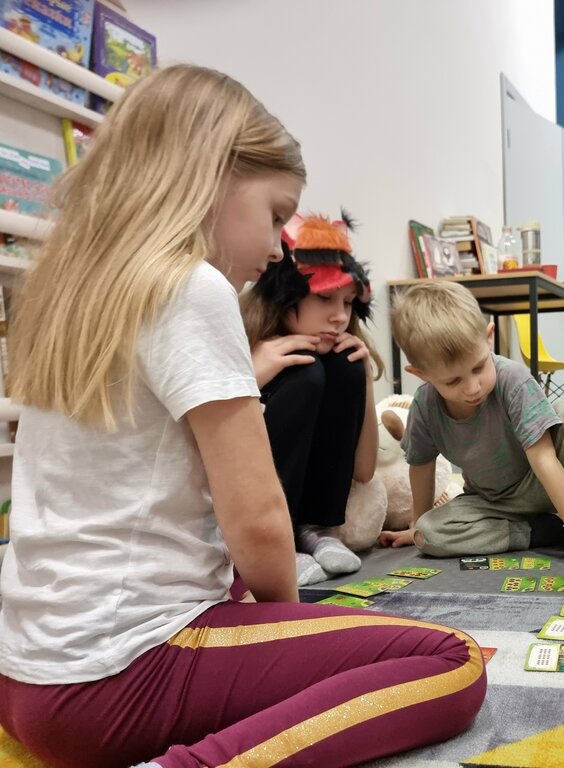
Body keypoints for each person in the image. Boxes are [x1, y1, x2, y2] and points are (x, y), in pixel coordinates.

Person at [0, 65, 485, 768]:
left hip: (24, 673)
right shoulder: (188, 286)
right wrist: (284, 622)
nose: (276, 247)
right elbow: (257, 518)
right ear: (212, 176)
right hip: (114, 678)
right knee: (451, 662)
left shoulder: (73, 292)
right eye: (274, 213)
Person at [380, 280, 564, 574]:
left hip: (543, 479)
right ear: (422, 374)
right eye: (453, 381)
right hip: (491, 501)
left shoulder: (512, 379)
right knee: (428, 534)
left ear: (488, 338)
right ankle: (547, 531)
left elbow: (543, 457)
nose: (472, 388)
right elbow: (421, 467)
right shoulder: (424, 406)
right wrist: (416, 524)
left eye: (479, 367)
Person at [241, 212, 382, 586]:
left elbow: (364, 471)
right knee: (305, 373)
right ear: (285, 296)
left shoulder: (338, 359)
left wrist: (363, 377)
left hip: (311, 517)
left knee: (339, 367)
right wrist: (249, 379)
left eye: (349, 302)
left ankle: (315, 529)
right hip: (245, 515)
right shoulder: (240, 337)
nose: (339, 316)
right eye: (325, 298)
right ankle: (280, 539)